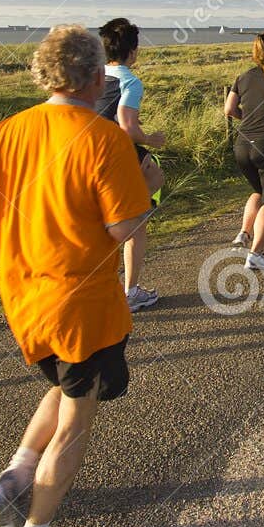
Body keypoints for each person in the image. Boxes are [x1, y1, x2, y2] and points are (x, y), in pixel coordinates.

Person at [0, 25, 152, 527]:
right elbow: (124, 228)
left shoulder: (7, 131)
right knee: (75, 424)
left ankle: (15, 476)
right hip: (83, 307)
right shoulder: (102, 138)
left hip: (24, 301)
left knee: (65, 387)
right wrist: (148, 184)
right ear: (97, 77)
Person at [96, 19, 166, 311]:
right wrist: (152, 138)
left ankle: (124, 219)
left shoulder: (93, 74)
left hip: (89, 150)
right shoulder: (130, 81)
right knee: (141, 210)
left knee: (153, 174)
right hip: (116, 150)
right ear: (133, 52)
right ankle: (131, 292)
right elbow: (127, 126)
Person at [224, 32, 264, 270]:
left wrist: (246, 117)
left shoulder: (242, 77)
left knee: (257, 191)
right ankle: (256, 253)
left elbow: (229, 108)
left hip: (242, 144)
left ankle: (244, 232)